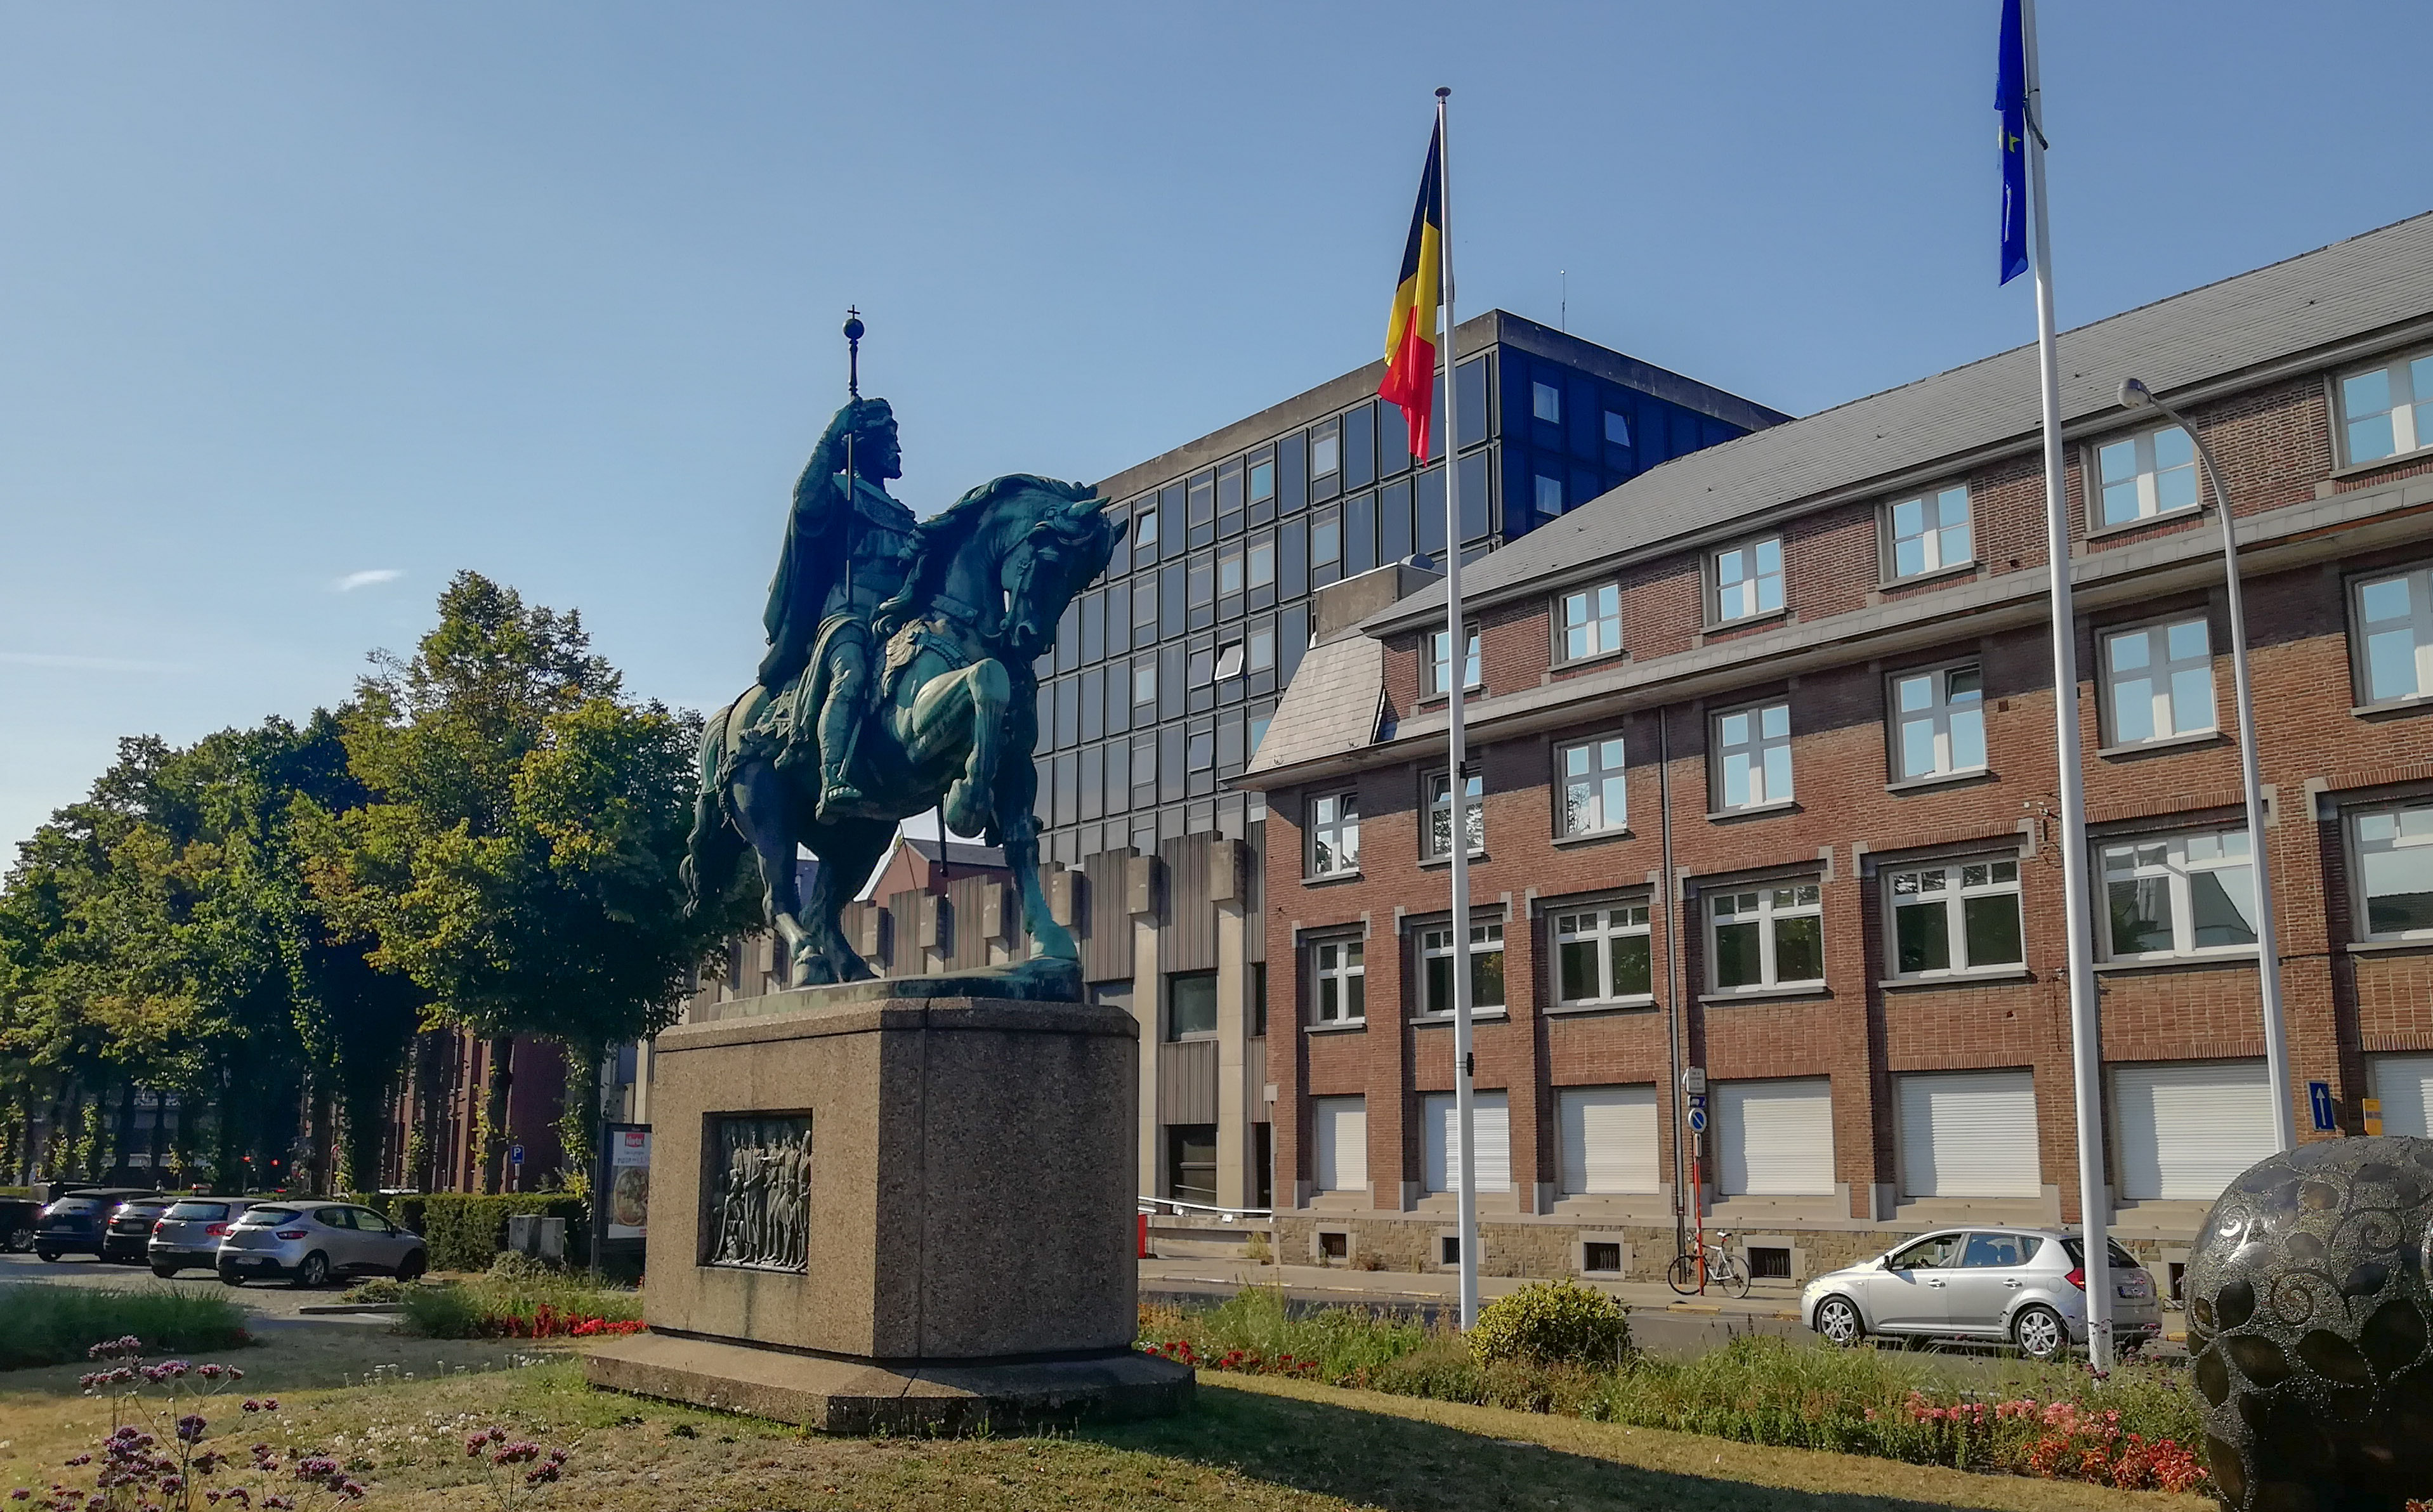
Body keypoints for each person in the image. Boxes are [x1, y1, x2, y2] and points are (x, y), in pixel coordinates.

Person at [757, 397, 920, 821]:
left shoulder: (905, 516)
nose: (897, 450)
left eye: (897, 440)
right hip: (847, 614)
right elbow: (805, 504)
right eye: (888, 440)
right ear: (863, 446)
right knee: (851, 675)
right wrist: (831, 438)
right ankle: (833, 776)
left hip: (895, 620)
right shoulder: (838, 491)